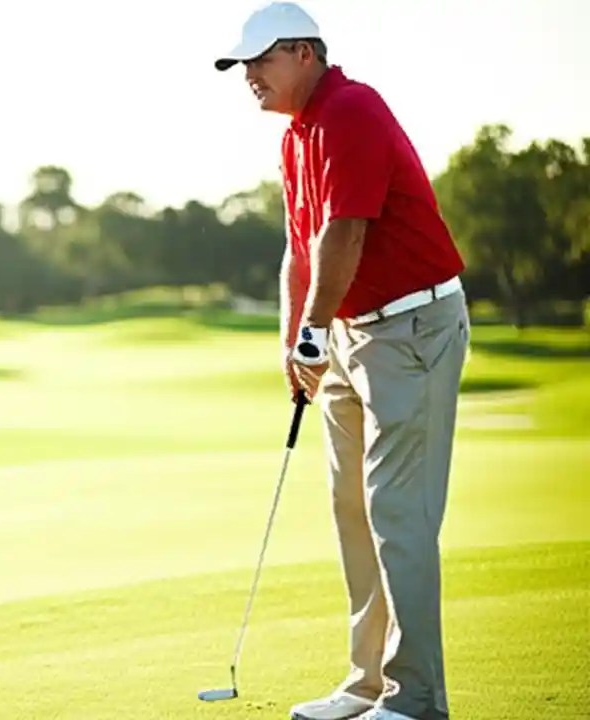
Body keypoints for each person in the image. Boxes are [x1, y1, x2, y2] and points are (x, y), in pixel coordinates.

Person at [212, 3, 471, 720]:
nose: (250, 78)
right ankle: (367, 685)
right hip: (351, 335)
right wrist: (294, 337)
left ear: (304, 53)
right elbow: (300, 246)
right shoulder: (298, 137)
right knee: (351, 510)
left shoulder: (351, 110)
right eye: (243, 67)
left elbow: (344, 233)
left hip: (412, 327)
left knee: (397, 514)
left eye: (260, 62)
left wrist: (314, 329)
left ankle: (416, 697)